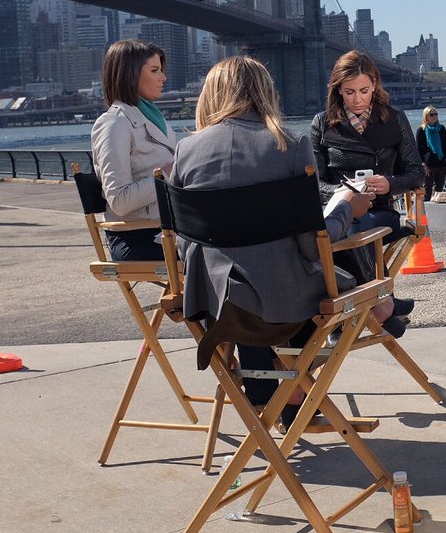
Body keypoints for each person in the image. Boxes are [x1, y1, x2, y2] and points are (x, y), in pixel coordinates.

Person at [170, 56, 377, 425]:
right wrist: (347, 207)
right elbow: (313, 246)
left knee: (262, 274)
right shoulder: (290, 145)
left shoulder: (186, 151)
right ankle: (292, 381)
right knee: (355, 288)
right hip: (284, 308)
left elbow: (185, 242)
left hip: (214, 304)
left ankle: (281, 394)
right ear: (266, 92)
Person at [310, 50, 425, 323]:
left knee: (350, 228)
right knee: (343, 224)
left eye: (363, 90)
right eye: (349, 92)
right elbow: (313, 184)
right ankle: (384, 304)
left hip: (380, 211)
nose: (357, 99)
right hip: (336, 210)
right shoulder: (322, 124)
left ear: (374, 84)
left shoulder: (395, 119)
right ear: (338, 89)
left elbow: (417, 173)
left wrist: (390, 184)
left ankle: (350, 317)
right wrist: (344, 193)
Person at [90, 40, 176, 261]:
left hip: (167, 230)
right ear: (131, 74)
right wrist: (168, 173)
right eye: (154, 70)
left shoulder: (154, 118)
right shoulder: (114, 123)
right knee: (219, 253)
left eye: (161, 70)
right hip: (136, 237)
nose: (163, 78)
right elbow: (119, 201)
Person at [415, 105, 446, 201]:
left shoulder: (441, 129)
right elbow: (418, 150)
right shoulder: (421, 131)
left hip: (441, 163)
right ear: (426, 116)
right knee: (427, 193)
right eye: (432, 115)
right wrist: (423, 165)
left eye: (436, 114)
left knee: (439, 193)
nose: (434, 116)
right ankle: (425, 211)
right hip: (429, 166)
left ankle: (438, 210)